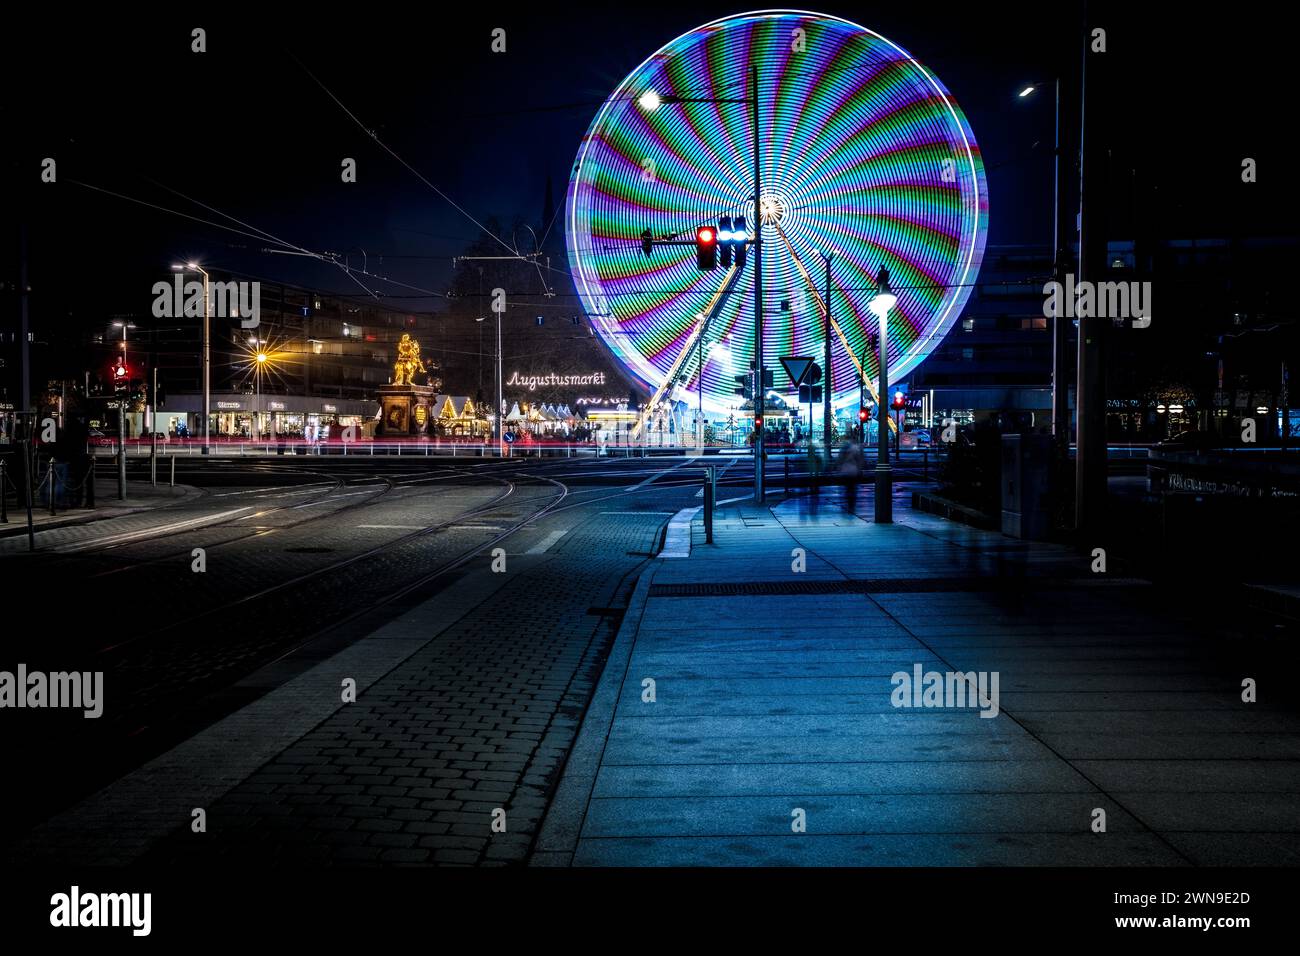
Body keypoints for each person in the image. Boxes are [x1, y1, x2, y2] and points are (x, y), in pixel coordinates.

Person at [837, 440, 865, 514]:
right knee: (852, 488)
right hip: (853, 471)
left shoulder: (843, 449)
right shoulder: (856, 449)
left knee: (846, 488)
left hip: (844, 471)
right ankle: (851, 504)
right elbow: (860, 460)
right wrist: (860, 469)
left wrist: (838, 468)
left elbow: (839, 460)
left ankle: (847, 502)